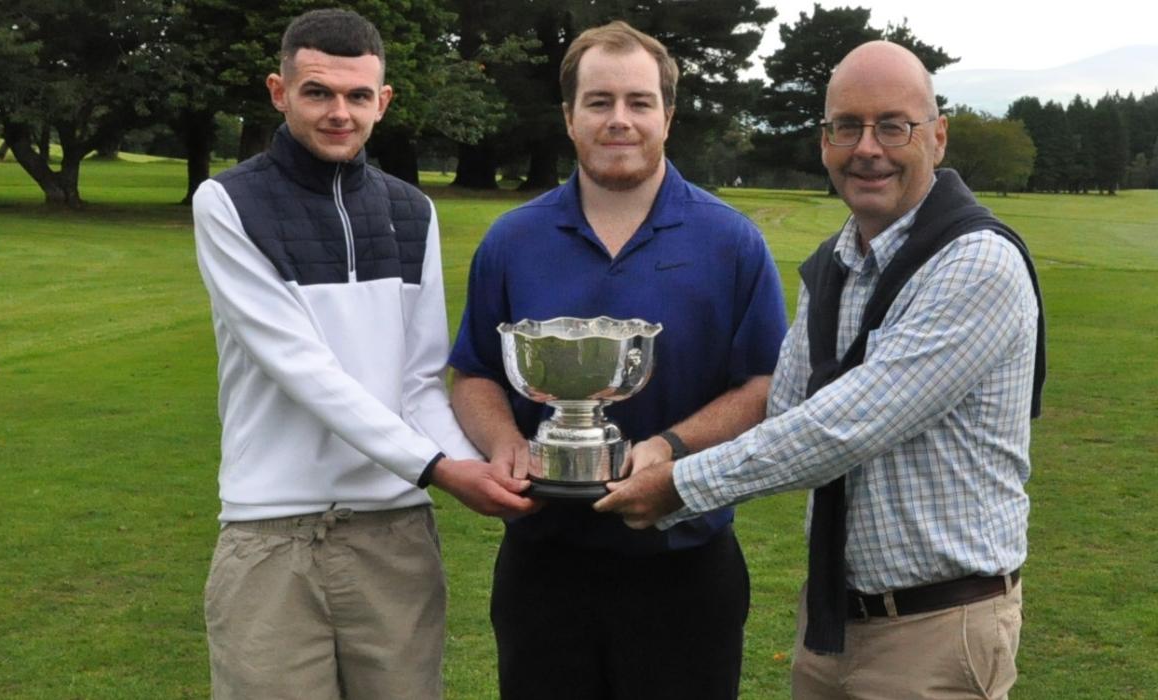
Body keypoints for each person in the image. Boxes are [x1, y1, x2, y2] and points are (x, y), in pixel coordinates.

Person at [596, 40, 1046, 700]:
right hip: (831, 623)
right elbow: (788, 416)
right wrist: (668, 447)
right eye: (846, 127)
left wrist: (679, 485)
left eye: (893, 125)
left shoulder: (977, 264)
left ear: (938, 136)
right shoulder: (835, 265)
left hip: (936, 633)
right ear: (823, 140)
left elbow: (845, 429)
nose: (868, 148)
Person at [191, 9, 534, 699]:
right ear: (279, 92)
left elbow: (416, 383)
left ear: (383, 102)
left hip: (394, 536)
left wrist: (484, 467)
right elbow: (302, 371)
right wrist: (441, 468)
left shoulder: (413, 213)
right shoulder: (227, 203)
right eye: (318, 92)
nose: (338, 113)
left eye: (357, 96)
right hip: (270, 537)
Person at [447, 21, 789, 700]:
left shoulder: (731, 241)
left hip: (685, 561)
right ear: (569, 117)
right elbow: (476, 372)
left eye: (639, 102)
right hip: (543, 563)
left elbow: (766, 383)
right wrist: (505, 441)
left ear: (668, 115)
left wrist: (669, 447)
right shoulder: (513, 239)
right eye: (599, 102)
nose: (620, 120)